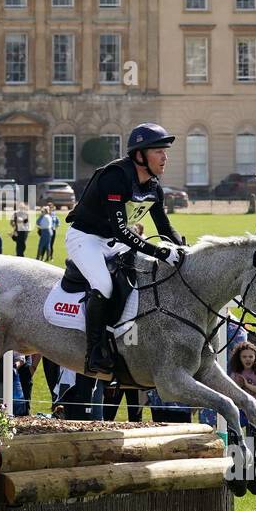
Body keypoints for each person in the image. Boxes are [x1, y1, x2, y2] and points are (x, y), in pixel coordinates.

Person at [63, 123, 185, 376]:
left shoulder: (153, 186)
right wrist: (161, 252)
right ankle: (94, 352)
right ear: (140, 155)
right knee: (104, 285)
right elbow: (121, 230)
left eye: (165, 151)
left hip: (114, 241)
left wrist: (183, 250)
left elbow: (164, 226)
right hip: (85, 239)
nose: (165, 157)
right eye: (158, 151)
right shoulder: (115, 177)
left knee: (143, 275)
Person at [229, 340, 256, 427]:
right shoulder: (236, 373)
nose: (247, 359)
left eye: (251, 356)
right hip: (240, 409)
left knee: (253, 435)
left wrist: (247, 385)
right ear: (239, 358)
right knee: (235, 431)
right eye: (244, 357)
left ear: (255, 357)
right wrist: (238, 385)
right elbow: (232, 392)